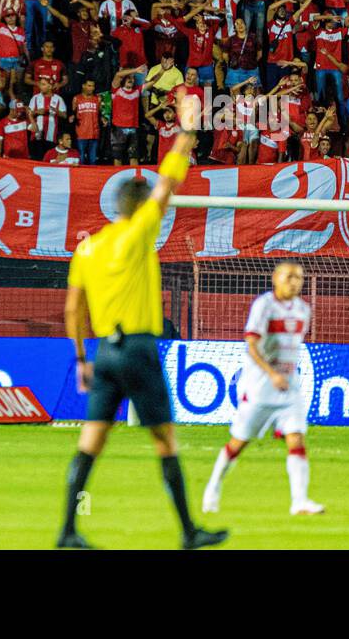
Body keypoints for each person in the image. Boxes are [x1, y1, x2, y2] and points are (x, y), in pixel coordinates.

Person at [58, 95, 226, 550]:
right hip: (137, 348)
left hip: (103, 353)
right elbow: (167, 184)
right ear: (139, 206)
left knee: (91, 442)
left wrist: (80, 359)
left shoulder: (88, 247)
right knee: (165, 442)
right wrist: (186, 132)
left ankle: (67, 530)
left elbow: (73, 309)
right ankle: (190, 532)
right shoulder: (139, 231)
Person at [202, 261, 323, 516]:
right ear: (276, 279)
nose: (295, 282)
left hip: (289, 388)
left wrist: (285, 376)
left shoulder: (303, 309)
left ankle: (299, 501)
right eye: (289, 277)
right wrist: (271, 373)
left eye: (299, 278)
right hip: (260, 387)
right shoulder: (264, 306)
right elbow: (252, 346)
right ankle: (212, 489)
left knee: (296, 438)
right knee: (239, 442)